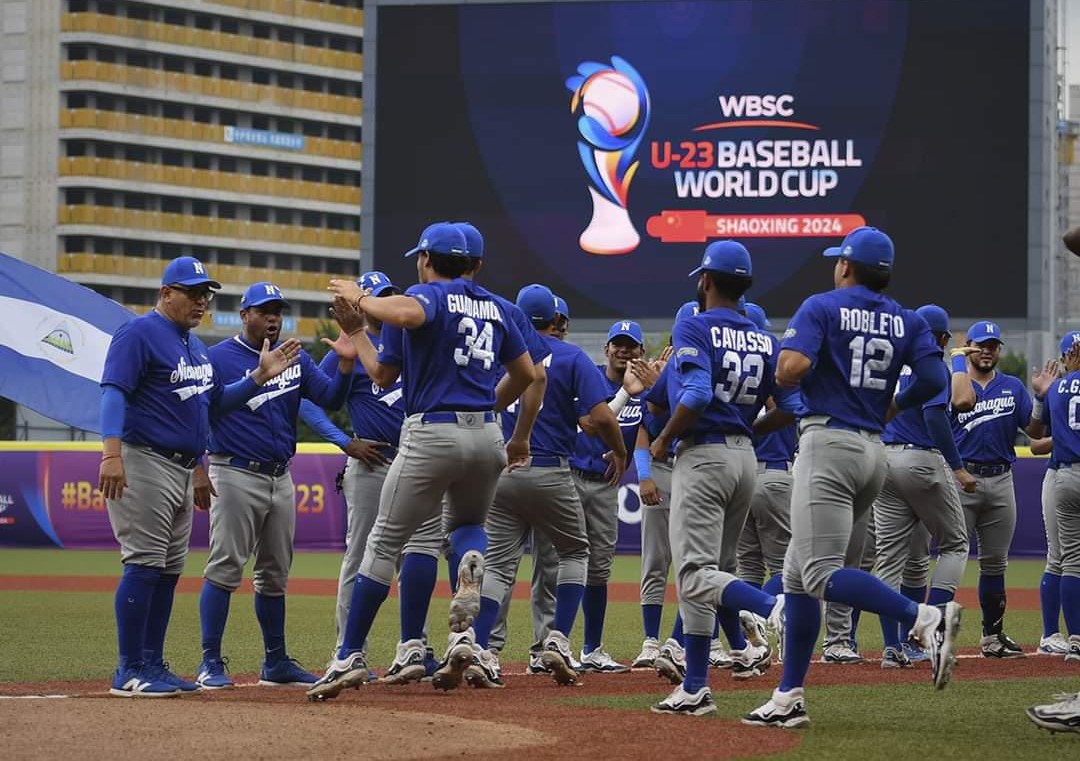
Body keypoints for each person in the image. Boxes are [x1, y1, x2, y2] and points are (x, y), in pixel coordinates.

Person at [307, 222, 535, 700]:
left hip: (431, 432)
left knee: (384, 543)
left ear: (427, 259)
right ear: (476, 264)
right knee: (467, 525)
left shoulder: (425, 296)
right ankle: (470, 567)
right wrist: (356, 331)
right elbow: (527, 374)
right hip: (485, 433)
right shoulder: (499, 306)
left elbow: (409, 315)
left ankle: (348, 655)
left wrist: (361, 300)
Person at [743, 227, 961, 729]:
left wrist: (783, 367)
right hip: (871, 450)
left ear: (845, 266)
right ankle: (788, 696)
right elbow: (932, 380)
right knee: (798, 580)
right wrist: (895, 404)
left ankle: (924, 618)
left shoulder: (822, 305)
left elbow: (792, 366)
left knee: (818, 573)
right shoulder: (906, 319)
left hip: (828, 445)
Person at [99, 256, 300, 697]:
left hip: (181, 465)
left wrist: (257, 378)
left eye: (205, 294)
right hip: (143, 459)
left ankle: (153, 663)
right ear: (165, 292)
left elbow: (214, 407)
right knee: (143, 563)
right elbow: (114, 390)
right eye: (192, 292)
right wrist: (110, 454)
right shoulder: (139, 332)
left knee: (168, 570)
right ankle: (129, 668)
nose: (201, 301)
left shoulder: (191, 345)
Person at [648, 240, 797, 716]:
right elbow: (789, 408)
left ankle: (773, 608)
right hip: (744, 459)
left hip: (704, 456)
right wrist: (748, 428)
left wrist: (662, 440)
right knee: (712, 572)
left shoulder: (693, 323)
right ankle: (694, 687)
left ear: (705, 280)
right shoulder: (762, 336)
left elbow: (694, 391)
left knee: (693, 573)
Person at [195, 282, 355, 689]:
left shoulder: (294, 356)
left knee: (274, 574)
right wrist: (198, 467)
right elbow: (202, 413)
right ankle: (210, 662)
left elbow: (332, 398)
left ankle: (276, 662)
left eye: (277, 311)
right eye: (264, 310)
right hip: (233, 471)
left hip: (279, 475)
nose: (272, 317)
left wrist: (347, 362)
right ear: (244, 314)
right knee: (225, 568)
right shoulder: (218, 358)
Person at [466, 284, 627, 687]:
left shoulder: (497, 351)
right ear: (557, 321)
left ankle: (483, 649)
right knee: (575, 551)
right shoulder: (572, 356)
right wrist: (620, 453)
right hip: (551, 470)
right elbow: (603, 419)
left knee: (500, 568)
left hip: (503, 470)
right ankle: (555, 641)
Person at [299, 271, 409, 661]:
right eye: (377, 295)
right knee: (360, 557)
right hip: (373, 462)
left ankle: (413, 648)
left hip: (414, 462)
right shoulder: (349, 344)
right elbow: (307, 400)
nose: (384, 301)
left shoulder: (409, 340)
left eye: (388, 295)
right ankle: (348, 649)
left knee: (413, 558)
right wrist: (344, 441)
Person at [869, 304, 976, 670]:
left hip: (883, 460)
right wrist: (959, 468)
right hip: (920, 459)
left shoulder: (890, 364)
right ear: (942, 338)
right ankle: (933, 635)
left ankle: (892, 647)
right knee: (955, 544)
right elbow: (935, 415)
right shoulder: (932, 365)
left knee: (892, 559)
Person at [953, 320, 1040, 657]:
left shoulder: (1012, 386)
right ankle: (933, 633)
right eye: (981, 345)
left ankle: (992, 636)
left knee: (995, 563)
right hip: (963, 478)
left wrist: (1043, 399)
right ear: (969, 347)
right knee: (951, 559)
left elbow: (1032, 429)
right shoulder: (956, 384)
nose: (987, 351)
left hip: (1002, 478)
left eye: (993, 345)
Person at [565, 319, 648, 672]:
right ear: (606, 348)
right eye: (618, 343)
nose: (623, 350)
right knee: (561, 562)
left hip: (604, 485)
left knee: (599, 568)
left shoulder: (647, 390)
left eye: (630, 345)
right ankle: (553, 646)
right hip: (569, 475)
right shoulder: (590, 377)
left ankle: (592, 649)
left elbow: (648, 432)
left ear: (641, 352)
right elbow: (591, 422)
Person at [1030, 336, 1080, 660]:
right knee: (1062, 558)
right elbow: (1035, 444)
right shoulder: (1059, 390)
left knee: (1066, 559)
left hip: (1064, 474)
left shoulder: (1057, 389)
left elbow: (1034, 438)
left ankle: (1069, 636)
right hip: (1059, 471)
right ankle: (1053, 633)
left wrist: (1042, 395)